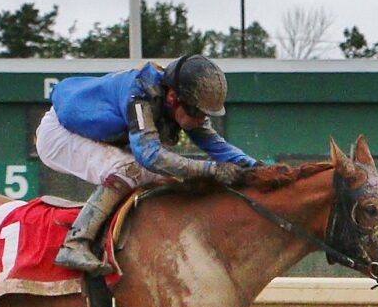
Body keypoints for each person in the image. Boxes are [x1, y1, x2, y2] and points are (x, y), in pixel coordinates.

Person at [35, 55, 260, 276]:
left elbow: (217, 146)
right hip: (59, 134)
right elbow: (150, 156)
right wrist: (212, 170)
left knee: (158, 177)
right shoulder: (140, 98)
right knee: (130, 169)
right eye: (198, 112)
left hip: (91, 134)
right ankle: (75, 243)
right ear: (173, 97)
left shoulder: (179, 100)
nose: (202, 119)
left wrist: (255, 167)